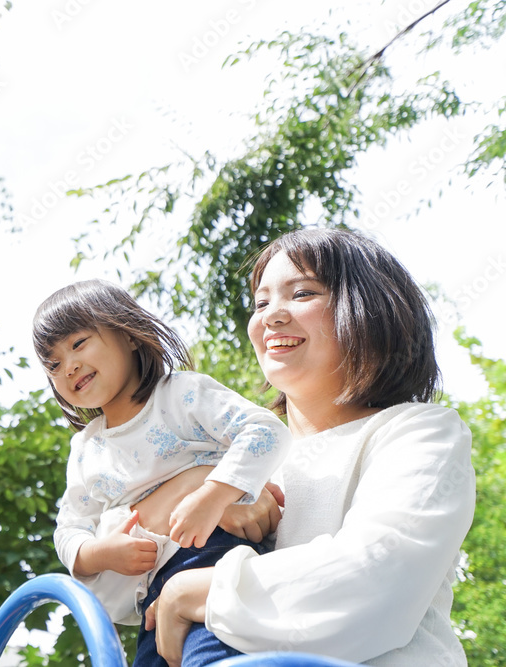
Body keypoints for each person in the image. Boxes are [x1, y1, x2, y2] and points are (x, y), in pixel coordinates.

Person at [139, 228, 476, 666]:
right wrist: (197, 485)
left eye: (302, 294)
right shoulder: (234, 467)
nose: (271, 316)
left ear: (371, 310)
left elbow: (375, 578)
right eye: (261, 303)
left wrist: (193, 592)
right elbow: (112, 566)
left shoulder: (418, 431)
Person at [33, 279, 292, 667]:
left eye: (79, 343)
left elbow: (265, 431)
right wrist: (98, 553)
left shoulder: (179, 395)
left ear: (128, 335)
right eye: (53, 365)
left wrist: (213, 495)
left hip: (217, 560)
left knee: (210, 657)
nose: (68, 367)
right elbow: (70, 529)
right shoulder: (86, 448)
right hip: (154, 594)